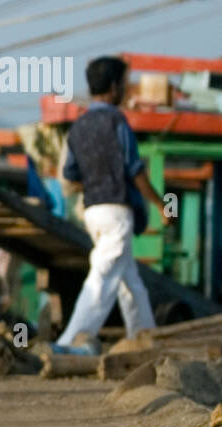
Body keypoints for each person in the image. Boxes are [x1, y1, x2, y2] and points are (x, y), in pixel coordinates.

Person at [54, 56, 167, 352]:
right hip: (117, 209)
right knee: (102, 278)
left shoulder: (77, 127)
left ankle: (145, 340)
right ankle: (68, 342)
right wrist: (160, 205)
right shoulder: (117, 121)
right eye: (126, 83)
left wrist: (96, 179)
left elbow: (70, 174)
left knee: (130, 284)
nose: (128, 90)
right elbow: (134, 169)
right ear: (115, 86)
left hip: (93, 210)